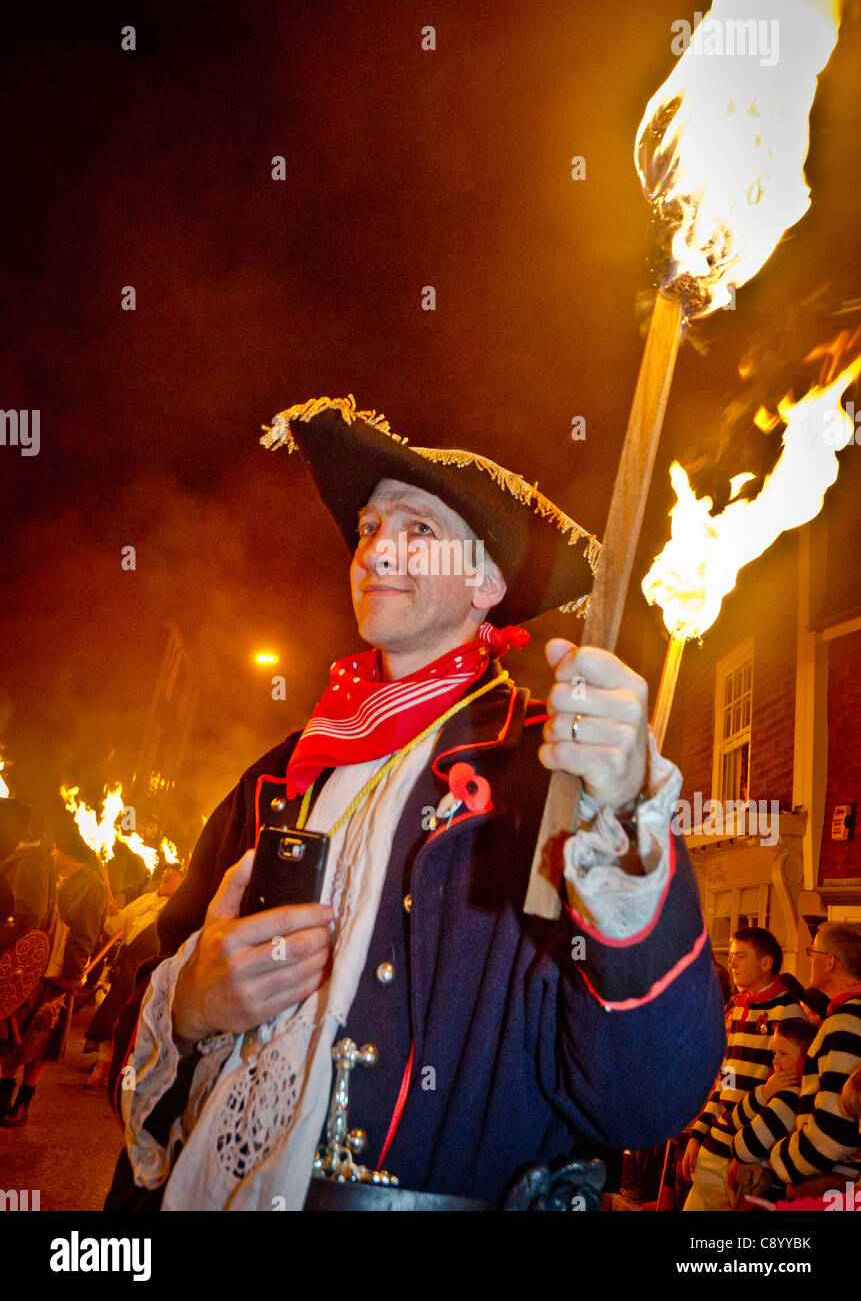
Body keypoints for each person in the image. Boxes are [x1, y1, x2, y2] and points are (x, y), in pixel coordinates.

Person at [105, 394, 725, 1211]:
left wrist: (623, 828)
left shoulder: (551, 774)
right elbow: (139, 1013)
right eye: (367, 529)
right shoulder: (279, 777)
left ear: (487, 582)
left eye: (418, 531)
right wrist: (188, 1006)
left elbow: (642, 1101)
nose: (374, 552)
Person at [682, 926, 804, 1211]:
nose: (732, 963)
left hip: (746, 1156)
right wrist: (699, 1134)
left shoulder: (787, 1013)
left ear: (766, 962)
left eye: (740, 956)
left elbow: (785, 1094)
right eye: (732, 956)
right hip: (715, 1147)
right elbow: (727, 1079)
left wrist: (751, 1151)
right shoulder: (739, 1009)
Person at [0, 821, 106, 1126]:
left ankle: (24, 1100)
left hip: (60, 970)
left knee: (41, 1040)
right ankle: (4, 1093)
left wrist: (72, 975)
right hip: (34, 966)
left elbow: (85, 933)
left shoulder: (91, 885)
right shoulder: (52, 875)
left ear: (71, 854)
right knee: (15, 1038)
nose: (54, 854)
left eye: (58, 851)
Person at [768, 921, 861, 1194]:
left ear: (830, 961)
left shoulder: (845, 1021)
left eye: (813, 953)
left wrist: (781, 1161)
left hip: (829, 1182)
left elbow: (836, 1128)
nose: (810, 960)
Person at [83, 864, 184, 1088]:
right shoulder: (145, 899)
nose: (167, 876)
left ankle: (130, 1076)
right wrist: (113, 914)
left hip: (152, 971)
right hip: (127, 967)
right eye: (165, 872)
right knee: (109, 1020)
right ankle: (102, 1066)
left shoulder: (180, 907)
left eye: (173, 874)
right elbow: (118, 927)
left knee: (138, 1026)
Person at [727, 1019, 818, 1204]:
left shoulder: (790, 1099)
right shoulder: (777, 1089)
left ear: (807, 1056)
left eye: (783, 1053)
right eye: (774, 1052)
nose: (775, 1060)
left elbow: (742, 1148)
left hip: (769, 1195)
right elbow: (734, 1119)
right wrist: (764, 1092)